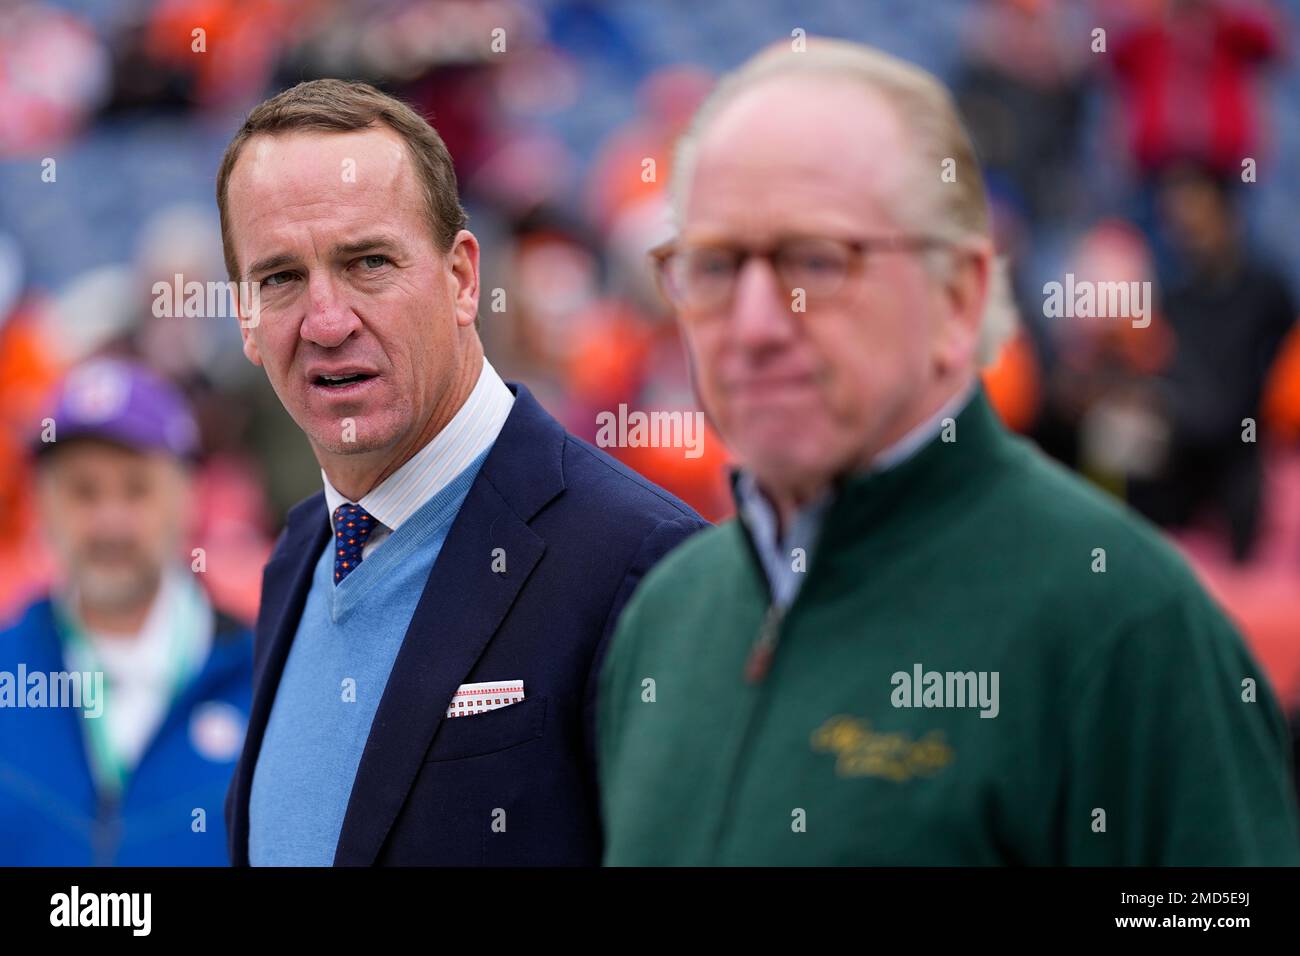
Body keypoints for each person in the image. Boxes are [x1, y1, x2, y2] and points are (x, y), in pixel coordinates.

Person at [597, 38, 1300, 865]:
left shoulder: (1128, 626)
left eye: (816, 260)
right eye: (712, 265)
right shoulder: (665, 614)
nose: (753, 325)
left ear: (960, 296)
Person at [217, 79, 706, 866]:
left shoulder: (645, 563)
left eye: (368, 261)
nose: (327, 321)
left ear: (463, 279)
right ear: (245, 317)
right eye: (279, 279)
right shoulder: (299, 553)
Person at [0, 358, 253, 865]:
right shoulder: (10, 665)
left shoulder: (264, 675)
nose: (109, 521)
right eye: (82, 491)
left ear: (188, 496)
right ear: (43, 504)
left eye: (136, 489)